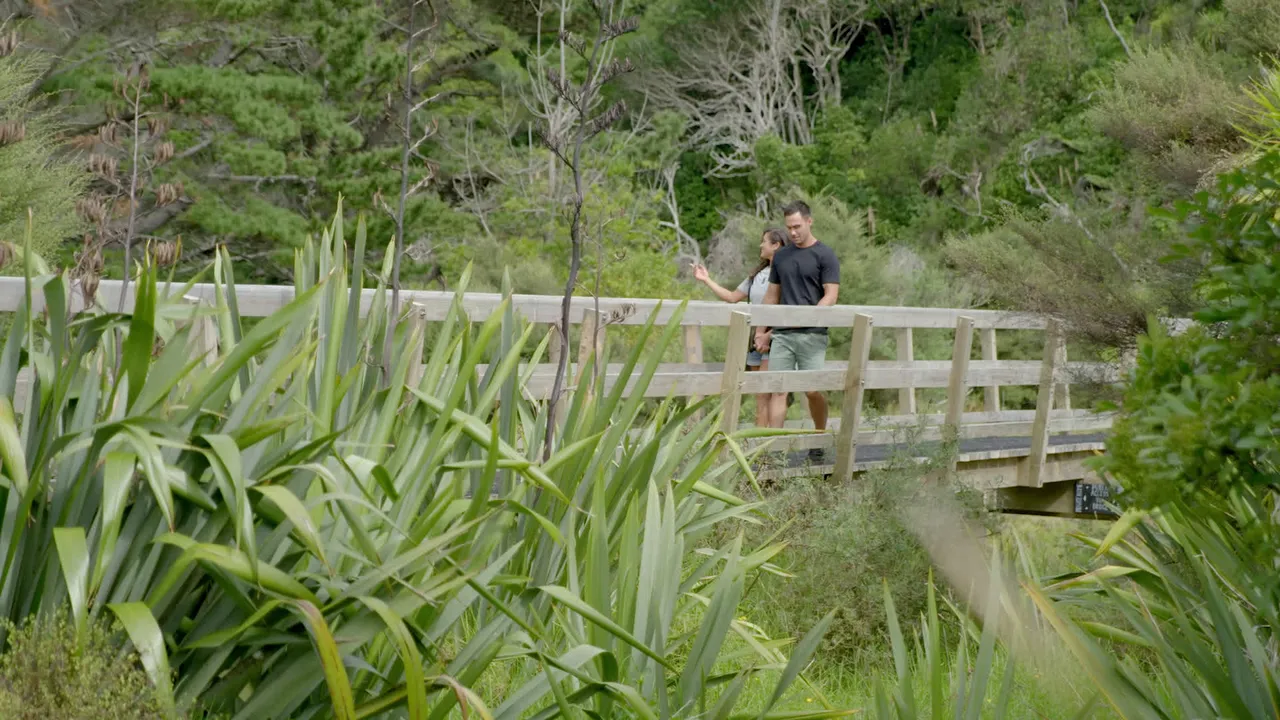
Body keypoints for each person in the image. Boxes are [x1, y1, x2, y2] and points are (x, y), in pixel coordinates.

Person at [757, 201, 839, 457]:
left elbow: (831, 295)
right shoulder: (781, 256)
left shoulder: (825, 255)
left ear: (809, 221)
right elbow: (771, 296)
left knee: (812, 390)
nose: (792, 232)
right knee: (778, 389)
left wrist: (810, 317)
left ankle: (819, 438)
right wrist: (761, 331)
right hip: (782, 335)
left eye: (797, 226)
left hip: (812, 335)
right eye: (789, 227)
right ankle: (774, 452)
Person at [692, 228, 789, 428]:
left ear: (776, 245)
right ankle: (759, 452)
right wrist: (706, 279)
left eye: (764, 242)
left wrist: (770, 334)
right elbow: (732, 297)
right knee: (760, 396)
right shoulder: (757, 274)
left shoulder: (788, 273)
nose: (760, 245)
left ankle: (772, 448)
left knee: (771, 392)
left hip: (775, 337)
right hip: (754, 338)